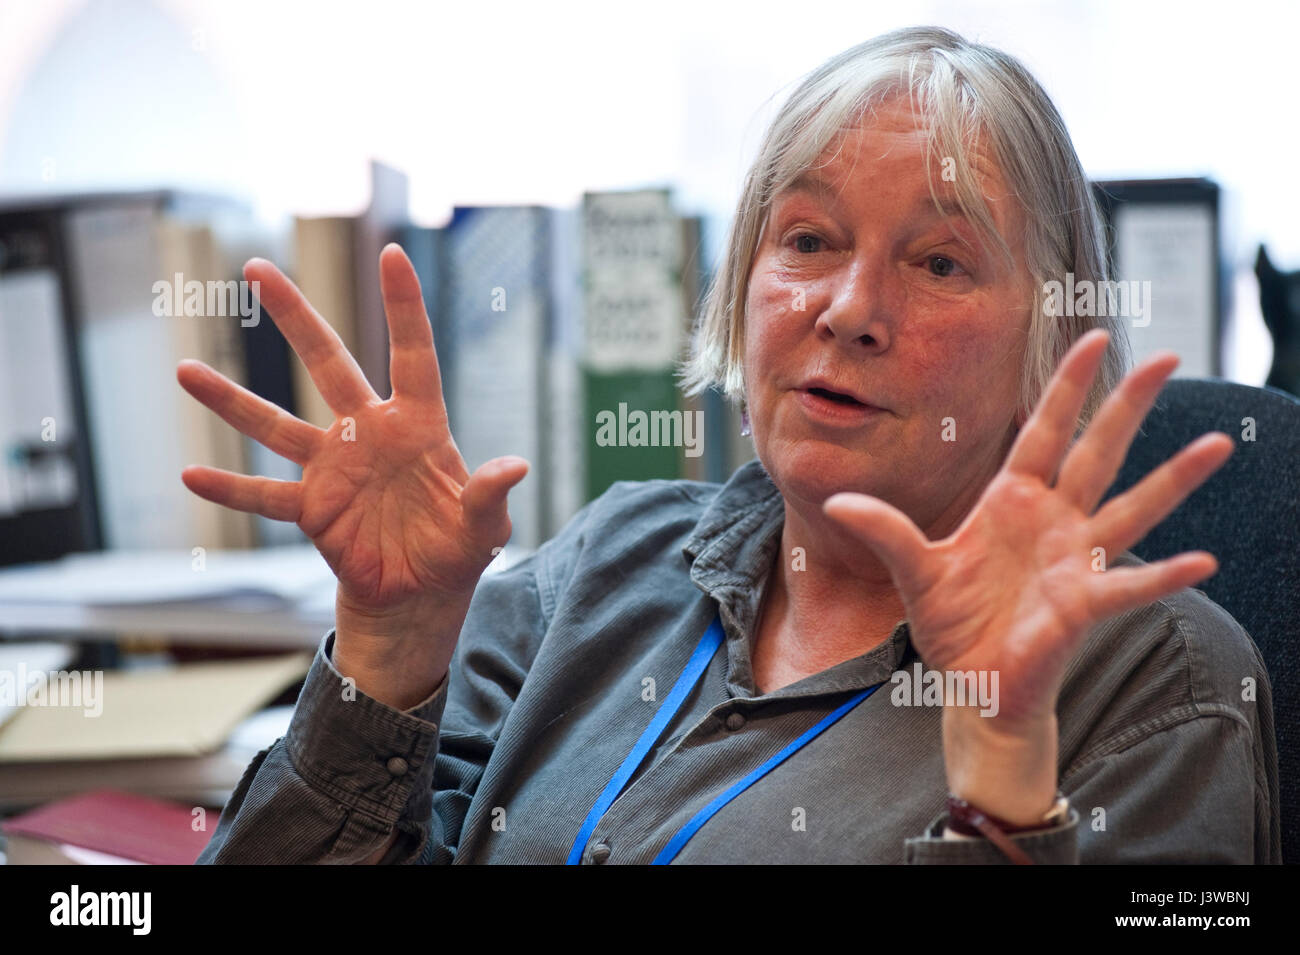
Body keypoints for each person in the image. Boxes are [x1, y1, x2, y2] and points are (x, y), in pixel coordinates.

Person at [189, 26, 1279, 864]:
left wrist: (998, 771)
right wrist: (390, 649)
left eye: (940, 262)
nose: (849, 308)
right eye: (807, 239)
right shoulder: (614, 559)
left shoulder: (1164, 675)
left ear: (1054, 342)